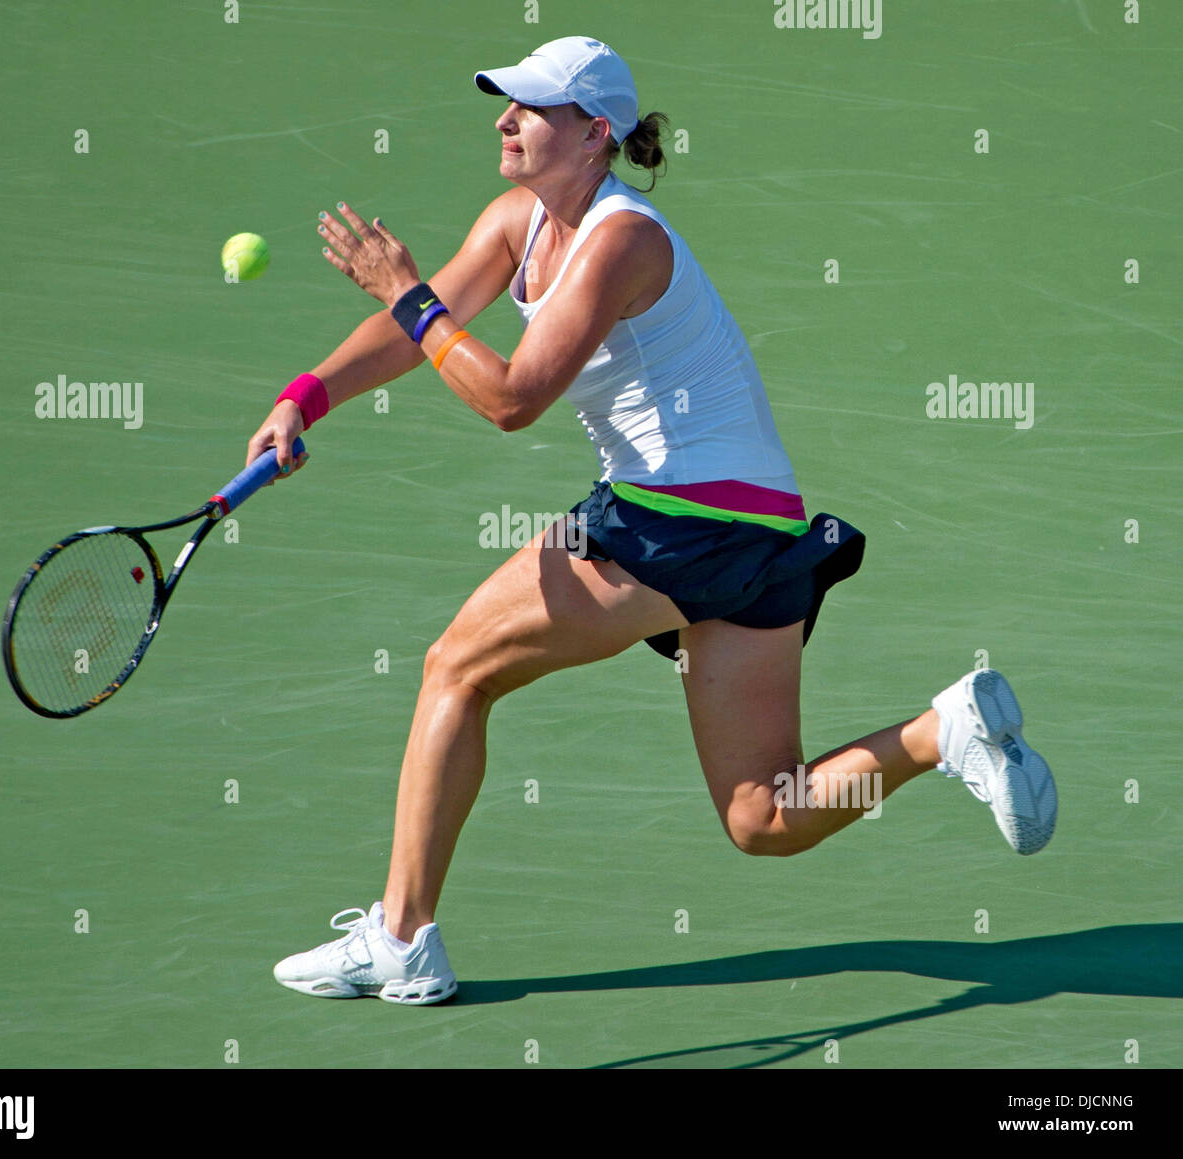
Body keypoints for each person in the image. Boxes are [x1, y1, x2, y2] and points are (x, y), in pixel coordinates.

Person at [246, 36, 1057, 1006]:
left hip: (675, 519)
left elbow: (509, 397)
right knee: (763, 811)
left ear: (595, 136)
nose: (505, 122)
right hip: (757, 530)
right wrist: (307, 396)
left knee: (452, 667)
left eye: (530, 110)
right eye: (505, 105)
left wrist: (407, 294)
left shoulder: (623, 239)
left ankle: (403, 936)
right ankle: (942, 731)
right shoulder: (519, 222)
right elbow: (416, 330)